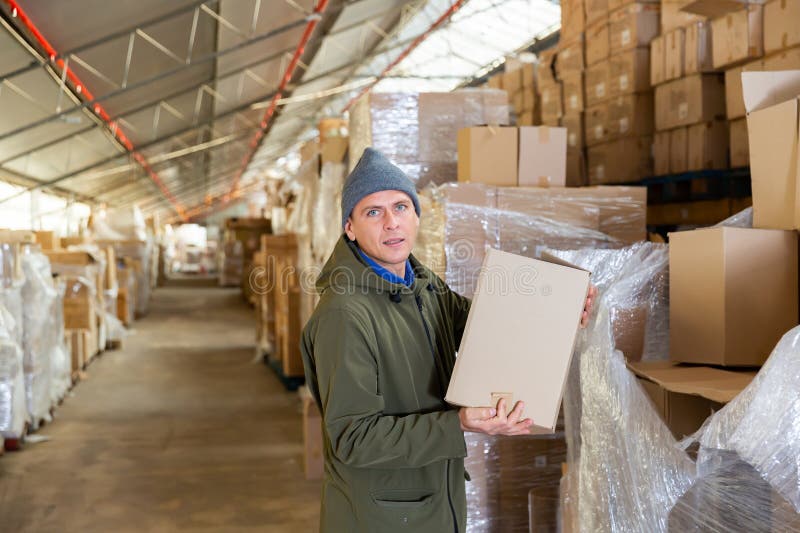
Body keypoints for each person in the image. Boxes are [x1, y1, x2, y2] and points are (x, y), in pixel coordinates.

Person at [300, 148, 595, 533]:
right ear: (350, 228)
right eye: (373, 212)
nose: (391, 222)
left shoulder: (421, 286)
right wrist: (458, 424)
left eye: (401, 207)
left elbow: (482, 327)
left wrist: (558, 315)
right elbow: (353, 437)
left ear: (416, 216)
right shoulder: (345, 315)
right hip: (380, 516)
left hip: (430, 502)